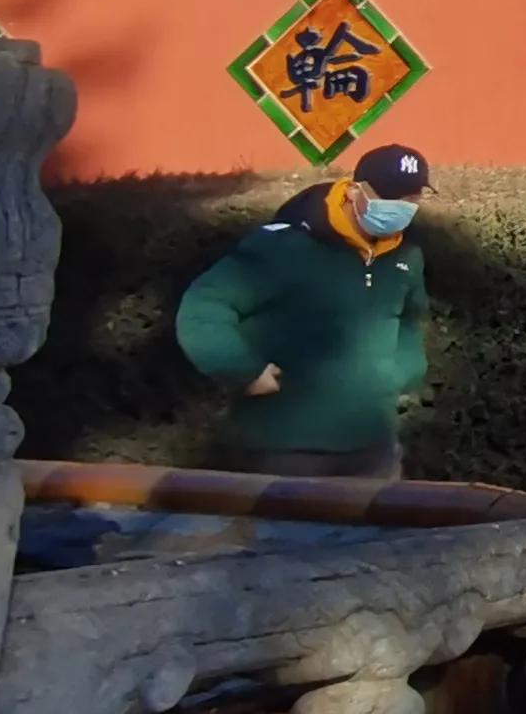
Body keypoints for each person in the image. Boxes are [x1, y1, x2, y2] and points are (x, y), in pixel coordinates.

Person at [176, 143, 434, 478]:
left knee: (383, 533)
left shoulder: (406, 256)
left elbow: (411, 321)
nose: (401, 207)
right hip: (284, 449)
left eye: (411, 198)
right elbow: (204, 306)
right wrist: (241, 370)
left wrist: (400, 373)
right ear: (356, 192)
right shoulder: (283, 248)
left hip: (374, 449)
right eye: (389, 196)